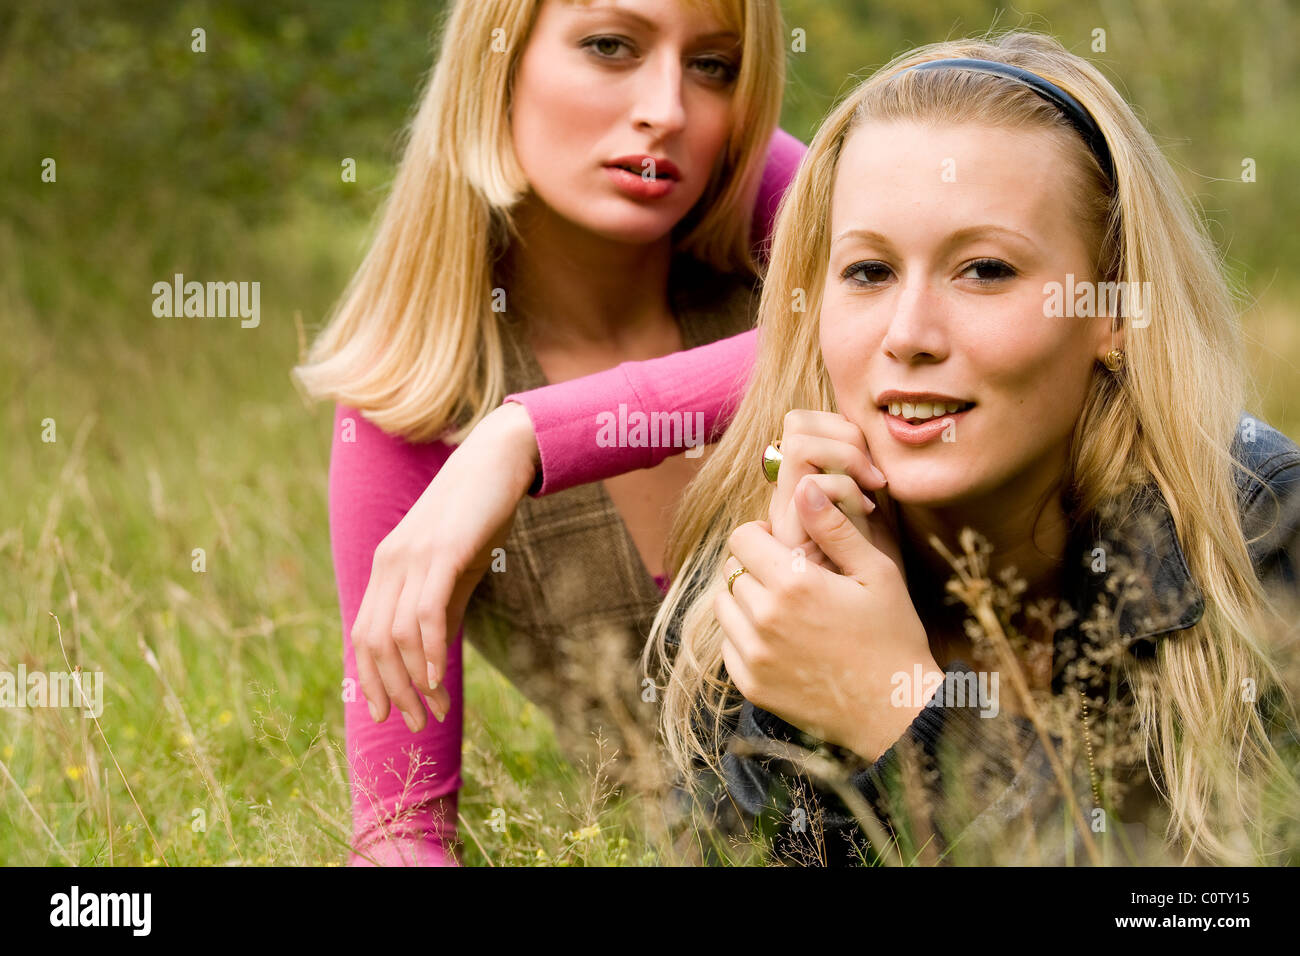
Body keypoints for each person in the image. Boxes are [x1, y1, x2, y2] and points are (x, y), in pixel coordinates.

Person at [390, 31, 1300, 865]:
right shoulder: (767, 575)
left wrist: (902, 711)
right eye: (867, 272)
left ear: (1113, 312)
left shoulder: (1257, 531)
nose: (908, 333)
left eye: (985, 270)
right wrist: (808, 727)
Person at [292, 0, 805, 865]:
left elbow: (876, 330)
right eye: (611, 47)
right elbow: (399, 828)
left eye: (713, 66)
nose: (668, 109)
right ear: (497, 64)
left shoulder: (779, 215)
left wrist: (526, 436)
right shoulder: (410, 404)